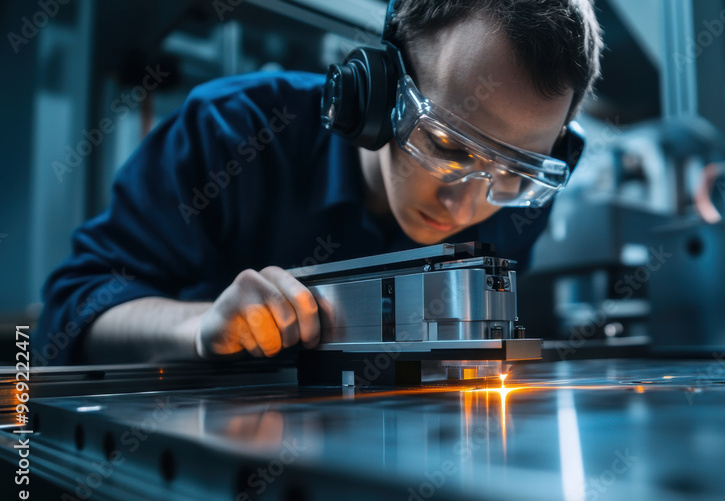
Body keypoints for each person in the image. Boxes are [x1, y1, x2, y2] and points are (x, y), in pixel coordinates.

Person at [34, 0, 603, 366]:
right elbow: (68, 312)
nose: (466, 204)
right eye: (447, 147)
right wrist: (200, 326)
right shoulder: (232, 134)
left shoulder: (519, 197)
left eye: (512, 172)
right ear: (377, 92)